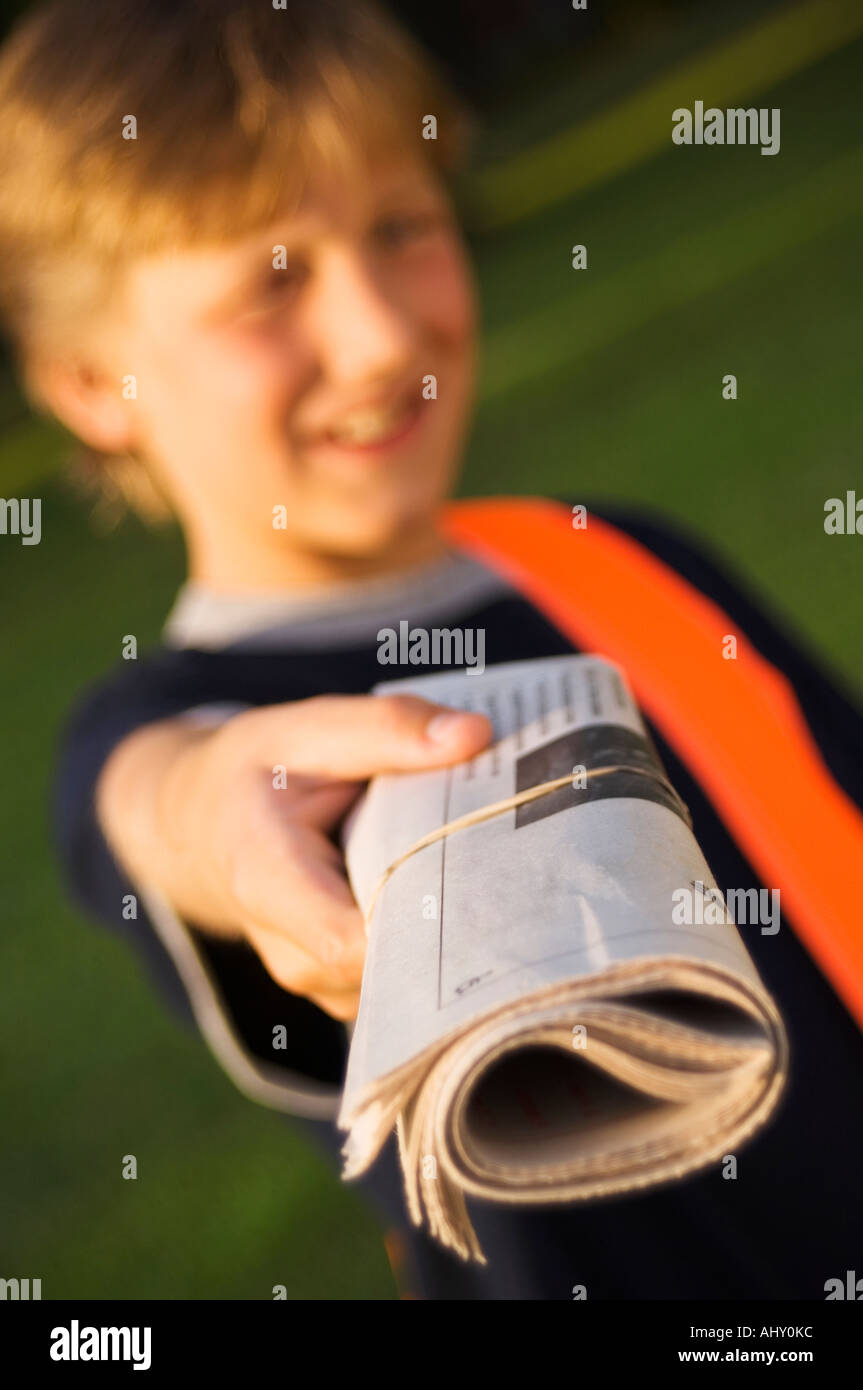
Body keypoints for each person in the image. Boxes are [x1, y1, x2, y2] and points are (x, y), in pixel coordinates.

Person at [2, 0, 861, 1300]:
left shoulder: (621, 557)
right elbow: (159, 802)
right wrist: (217, 809)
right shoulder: (174, 719)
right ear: (89, 382)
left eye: (401, 228)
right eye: (268, 279)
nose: (384, 334)